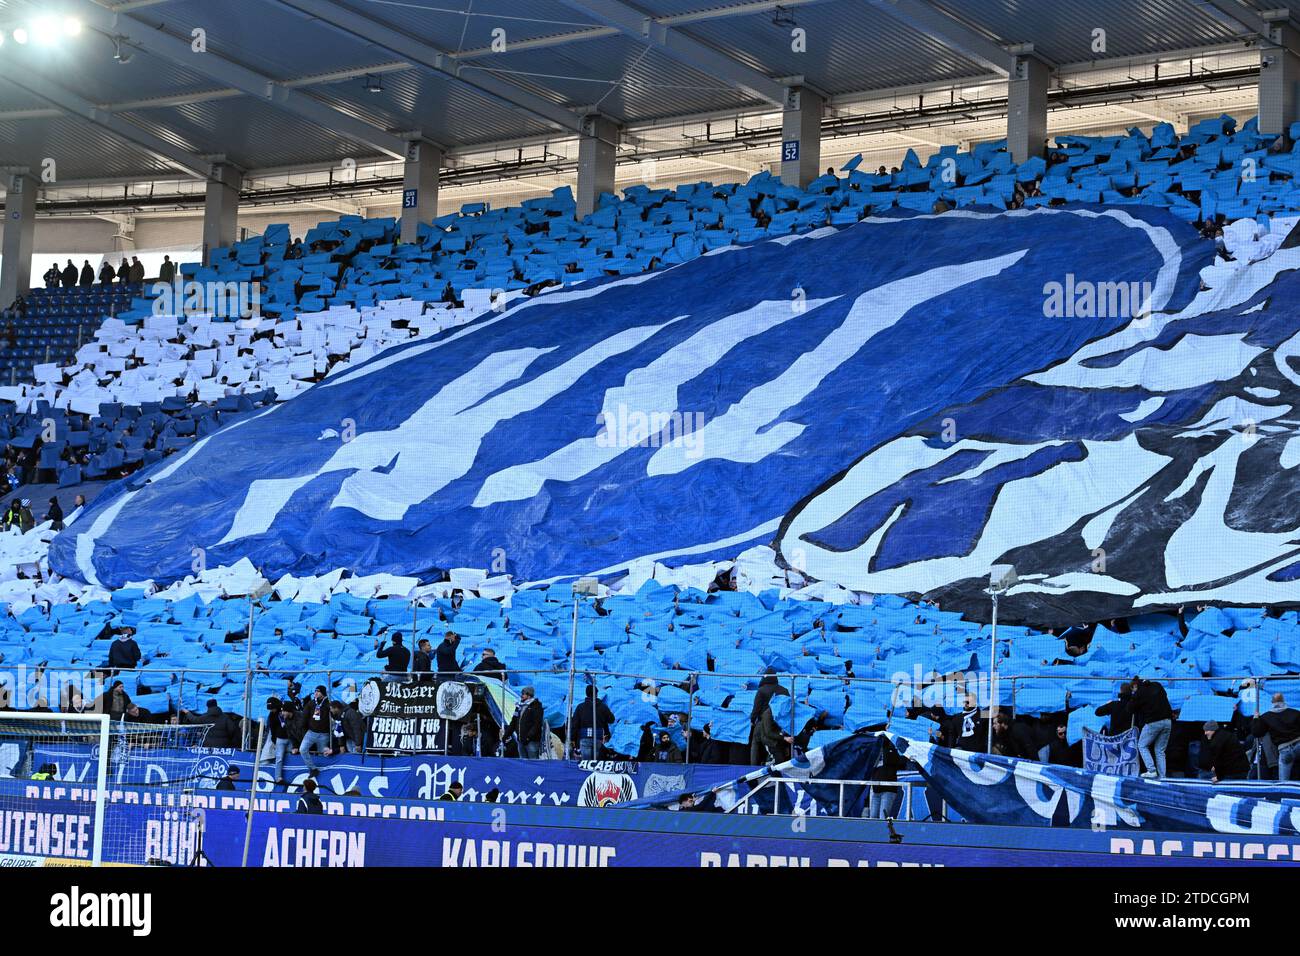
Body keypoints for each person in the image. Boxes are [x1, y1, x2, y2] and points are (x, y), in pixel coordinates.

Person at [1130, 677, 1173, 778]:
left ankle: (1151, 770)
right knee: (1160, 750)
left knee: (1142, 745)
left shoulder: (1139, 692)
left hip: (1153, 722)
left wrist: (1134, 695)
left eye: (1133, 689)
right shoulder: (1157, 685)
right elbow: (1164, 696)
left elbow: (1130, 708)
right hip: (1168, 721)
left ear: (1135, 686)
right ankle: (1162, 777)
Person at [1252, 692, 1300, 780]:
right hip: (1298, 745)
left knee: (1283, 781)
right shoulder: (1295, 713)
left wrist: (1256, 719)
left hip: (1285, 749)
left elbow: (1257, 733)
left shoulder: (1266, 717)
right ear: (1284, 701)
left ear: (1272, 702)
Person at [749, 668, 790, 765]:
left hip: (763, 721)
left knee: (756, 742)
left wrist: (752, 720)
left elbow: (756, 708)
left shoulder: (761, 690)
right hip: (779, 723)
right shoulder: (784, 690)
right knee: (775, 743)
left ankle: (753, 766)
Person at [570, 684, 614, 760]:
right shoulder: (603, 707)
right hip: (598, 737)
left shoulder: (580, 707)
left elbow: (575, 725)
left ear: (586, 694)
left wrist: (572, 738)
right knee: (596, 761)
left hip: (584, 737)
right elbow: (611, 720)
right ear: (596, 694)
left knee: (586, 762)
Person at [298, 685, 333, 770]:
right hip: (311, 732)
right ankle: (313, 768)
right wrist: (302, 727)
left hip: (324, 734)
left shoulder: (328, 703)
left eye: (318, 691)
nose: (316, 693)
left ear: (323, 693)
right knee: (302, 749)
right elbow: (304, 716)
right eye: (315, 691)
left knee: (323, 754)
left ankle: (324, 773)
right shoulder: (311, 703)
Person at [508, 685, 545, 759]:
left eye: (523, 694)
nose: (521, 696)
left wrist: (528, 738)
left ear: (529, 695)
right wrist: (506, 735)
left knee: (533, 762)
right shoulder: (519, 706)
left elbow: (537, 724)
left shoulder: (536, 706)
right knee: (522, 762)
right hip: (521, 741)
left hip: (531, 742)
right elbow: (514, 722)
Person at [267, 699, 296, 784]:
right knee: (279, 758)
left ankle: (292, 776)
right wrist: (274, 740)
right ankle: (278, 778)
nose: (271, 710)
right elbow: (272, 728)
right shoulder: (272, 715)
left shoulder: (286, 708)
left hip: (291, 738)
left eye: (272, 708)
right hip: (280, 738)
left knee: (292, 756)